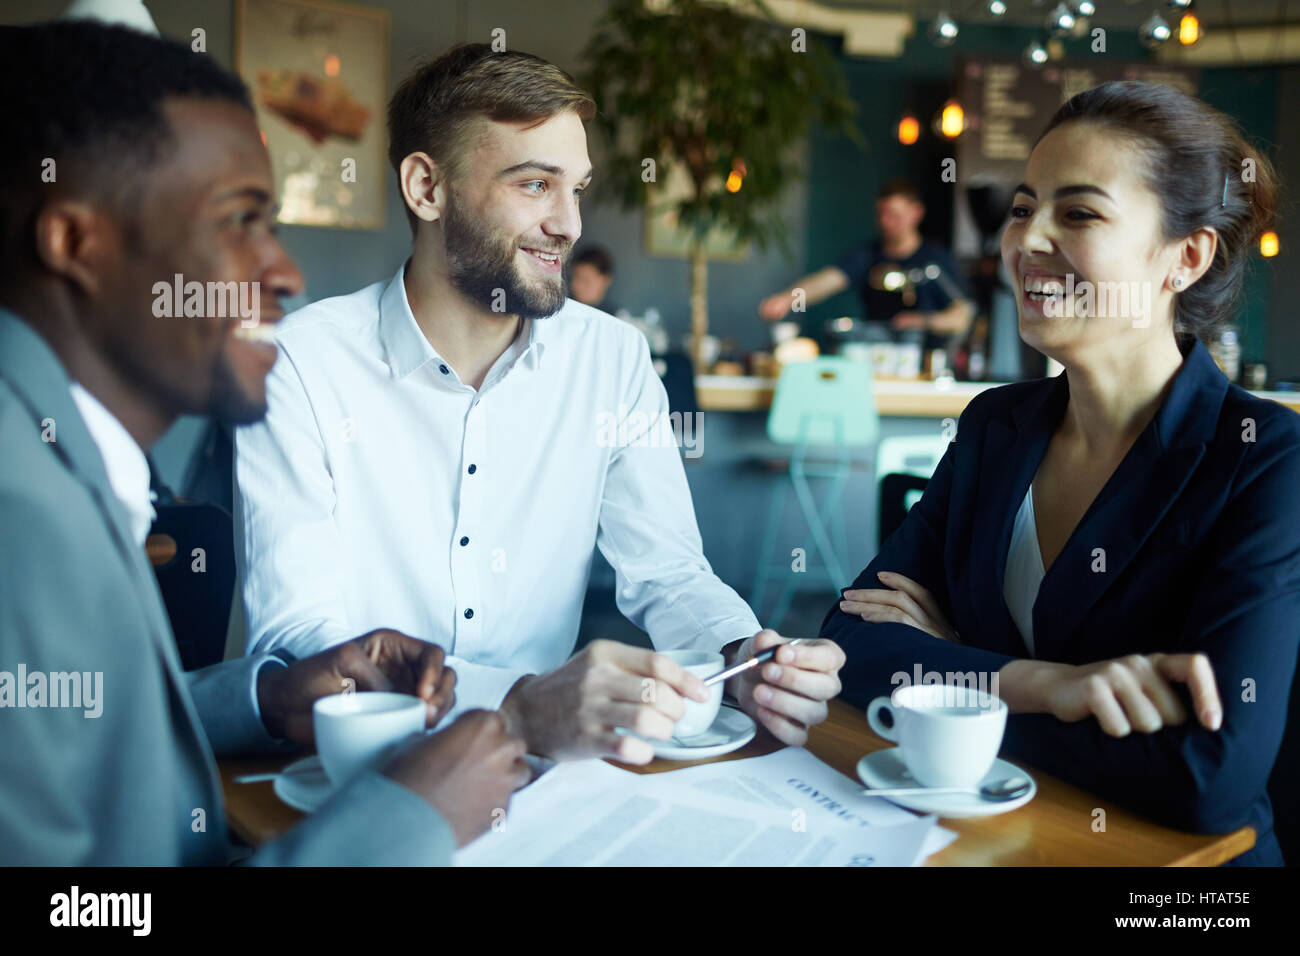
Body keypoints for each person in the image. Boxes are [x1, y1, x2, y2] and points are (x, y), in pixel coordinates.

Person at [0, 21, 528, 865]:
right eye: (241, 221)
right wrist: (408, 817)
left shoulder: (50, 464)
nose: (283, 273)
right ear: (74, 244)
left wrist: (270, 697)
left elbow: (62, 727)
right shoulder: (20, 519)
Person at [234, 43, 846, 765]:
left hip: (547, 776)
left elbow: (668, 571)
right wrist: (514, 706)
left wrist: (741, 655)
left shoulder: (612, 360)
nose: (571, 224)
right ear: (426, 187)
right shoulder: (302, 360)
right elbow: (301, 642)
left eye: (577, 189)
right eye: (535, 185)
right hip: (351, 776)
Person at [822, 81, 1296, 865]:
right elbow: (847, 642)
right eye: (1021, 207)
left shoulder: (1261, 454)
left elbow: (1207, 776)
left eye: (1077, 213)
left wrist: (961, 675)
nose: (1026, 239)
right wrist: (1045, 686)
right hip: (994, 840)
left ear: (1186, 256)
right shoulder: (994, 426)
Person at [758, 178, 973, 352]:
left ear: (916, 213)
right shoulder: (868, 255)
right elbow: (829, 280)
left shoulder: (935, 260)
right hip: (876, 360)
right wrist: (787, 299)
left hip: (926, 365)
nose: (886, 222)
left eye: (895, 215)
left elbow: (962, 316)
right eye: (881, 214)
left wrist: (921, 321)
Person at [568, 245, 619, 313]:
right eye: (575, 277)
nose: (577, 286)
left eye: (586, 280)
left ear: (605, 281)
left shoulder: (617, 318)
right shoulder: (563, 309)